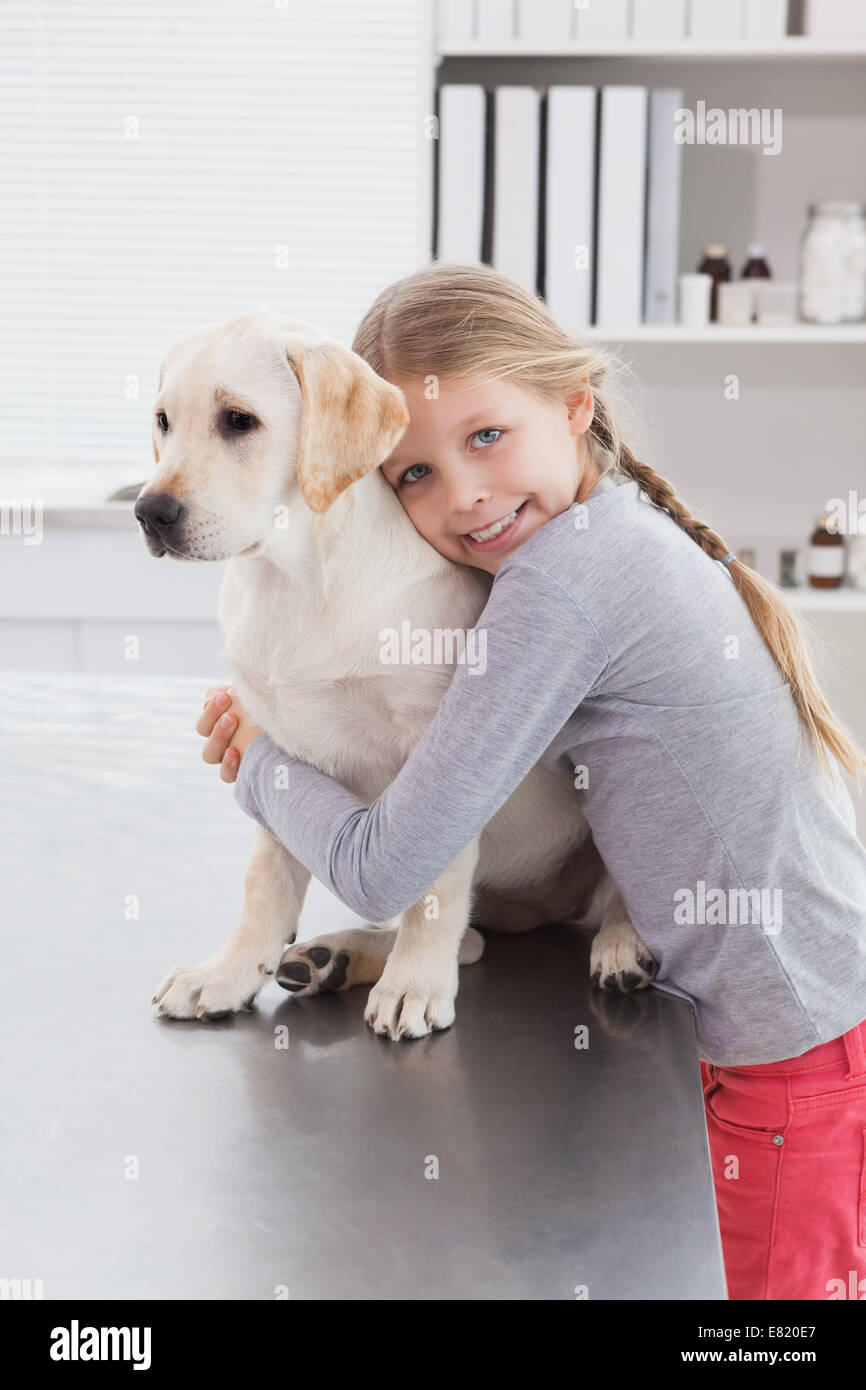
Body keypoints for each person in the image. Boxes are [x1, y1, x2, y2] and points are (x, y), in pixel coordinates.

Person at [195, 262, 866, 1301]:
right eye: (411, 474)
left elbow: (386, 866)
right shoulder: (608, 532)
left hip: (786, 1048)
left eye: (486, 437)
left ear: (574, 405)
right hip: (793, 1015)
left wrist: (260, 763)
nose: (460, 494)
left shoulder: (562, 584)